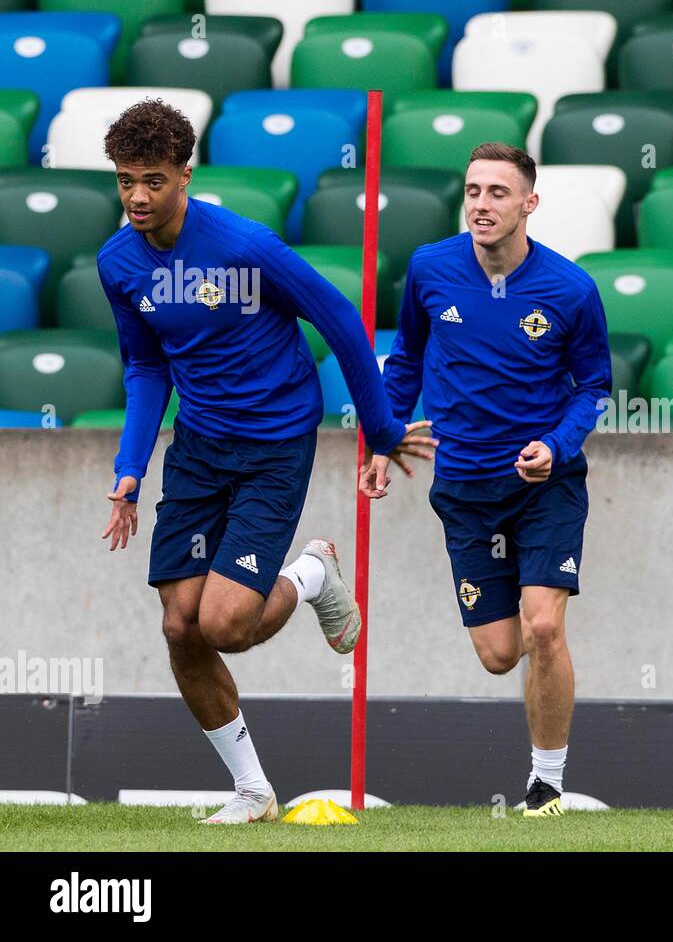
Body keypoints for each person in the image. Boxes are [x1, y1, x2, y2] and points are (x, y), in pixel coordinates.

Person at [98, 99, 434, 824]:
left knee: (223, 625)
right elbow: (145, 365)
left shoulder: (245, 245)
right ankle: (253, 792)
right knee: (179, 627)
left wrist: (378, 425)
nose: (137, 197)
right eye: (125, 180)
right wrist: (131, 467)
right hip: (199, 448)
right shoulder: (118, 261)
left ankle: (311, 574)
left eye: (153, 179)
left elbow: (340, 317)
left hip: (276, 441)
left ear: (186, 176)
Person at [360, 142, 611, 817]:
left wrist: (555, 448)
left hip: (543, 485)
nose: (482, 203)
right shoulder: (429, 268)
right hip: (465, 487)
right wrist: (382, 436)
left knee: (544, 629)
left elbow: (594, 388)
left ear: (529, 203)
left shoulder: (570, 289)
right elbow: (406, 356)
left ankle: (547, 783)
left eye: (499, 192)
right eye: (473, 191)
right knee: (500, 654)